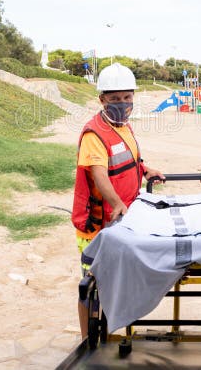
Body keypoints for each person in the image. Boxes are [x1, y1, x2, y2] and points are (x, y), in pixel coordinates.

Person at [71, 62, 164, 337]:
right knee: (92, 284)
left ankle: (110, 332)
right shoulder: (94, 133)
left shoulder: (123, 126)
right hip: (98, 224)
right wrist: (118, 203)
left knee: (116, 281)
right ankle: (88, 341)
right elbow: (100, 176)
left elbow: (130, 159)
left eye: (127, 98)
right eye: (114, 99)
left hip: (122, 219)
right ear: (102, 100)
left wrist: (147, 170)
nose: (122, 104)